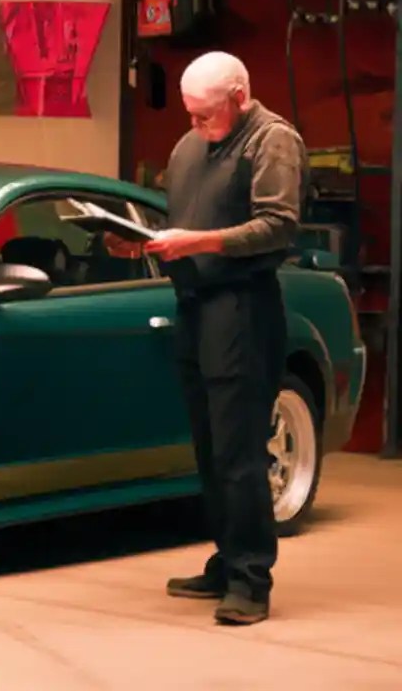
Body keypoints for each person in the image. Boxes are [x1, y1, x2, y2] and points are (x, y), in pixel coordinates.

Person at [122, 51, 308, 625]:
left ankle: (252, 579)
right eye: (190, 115)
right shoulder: (188, 147)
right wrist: (142, 243)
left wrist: (195, 243)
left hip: (242, 309)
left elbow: (278, 226)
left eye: (206, 116)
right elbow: (184, 222)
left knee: (239, 450)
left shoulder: (271, 142)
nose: (196, 127)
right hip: (195, 306)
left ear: (239, 97)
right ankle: (227, 559)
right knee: (208, 443)